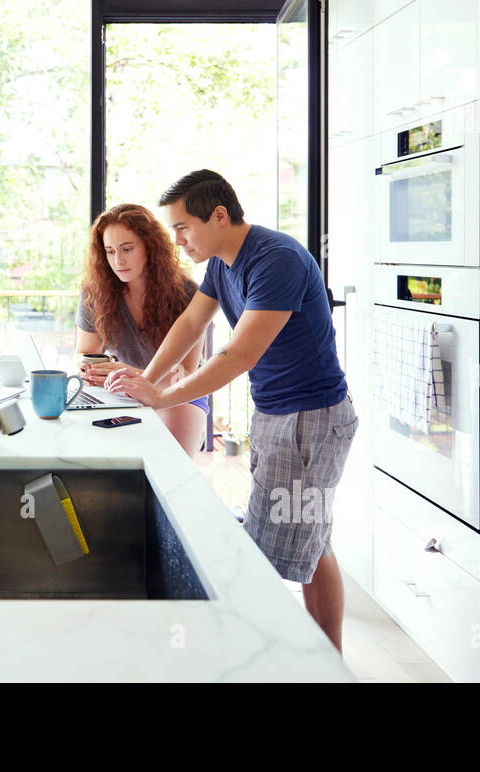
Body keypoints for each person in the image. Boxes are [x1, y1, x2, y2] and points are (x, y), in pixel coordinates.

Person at [105, 170, 358, 652]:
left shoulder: (275, 259)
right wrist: (149, 381)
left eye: (182, 227)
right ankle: (331, 664)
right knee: (313, 541)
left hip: (309, 420)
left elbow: (240, 355)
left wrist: (161, 397)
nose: (176, 241)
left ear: (218, 215)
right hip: (281, 415)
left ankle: (275, 661)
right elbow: (189, 323)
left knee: (270, 555)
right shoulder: (224, 263)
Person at [74, 204, 209, 456]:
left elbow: (186, 374)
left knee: (171, 464)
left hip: (178, 393)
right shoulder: (95, 294)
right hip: (121, 391)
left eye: (127, 249)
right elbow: (84, 352)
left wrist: (127, 373)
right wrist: (86, 368)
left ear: (150, 246)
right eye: (110, 251)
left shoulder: (186, 293)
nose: (118, 261)